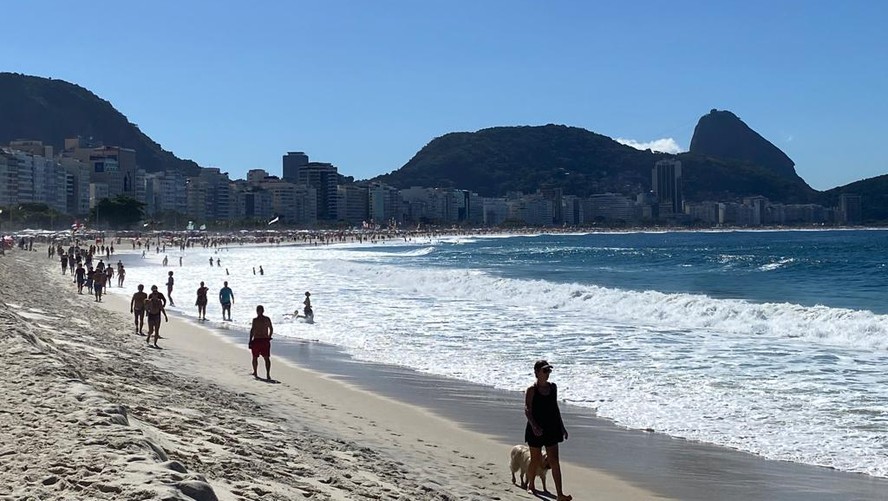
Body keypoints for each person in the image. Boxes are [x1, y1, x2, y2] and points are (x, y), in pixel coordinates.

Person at [524, 360, 571, 501]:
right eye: (545, 370)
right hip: (536, 428)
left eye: (549, 370)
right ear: (537, 372)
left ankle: (560, 494)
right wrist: (534, 425)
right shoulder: (532, 389)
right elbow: (527, 410)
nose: (547, 373)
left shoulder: (553, 387)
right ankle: (531, 485)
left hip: (552, 428)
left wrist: (562, 427)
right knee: (535, 460)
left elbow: (555, 408)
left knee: (554, 461)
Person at [248, 305, 273, 380]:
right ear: (263, 311)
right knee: (266, 358)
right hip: (265, 340)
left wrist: (250, 340)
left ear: (257, 311)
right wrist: (269, 337)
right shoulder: (267, 319)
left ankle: (255, 372)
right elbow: (271, 329)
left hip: (257, 340)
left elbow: (252, 330)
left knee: (255, 357)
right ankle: (268, 374)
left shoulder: (255, 320)